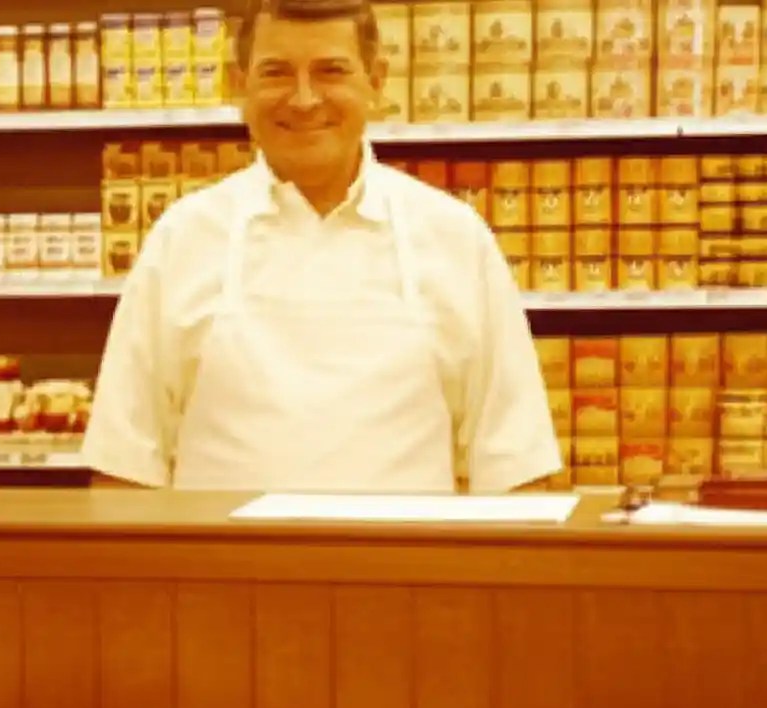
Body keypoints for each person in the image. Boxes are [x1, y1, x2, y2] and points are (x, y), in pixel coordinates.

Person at [82, 0, 561, 493]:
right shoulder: (181, 238)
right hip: (223, 570)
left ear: (376, 82)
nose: (305, 99)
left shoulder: (456, 238)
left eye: (331, 71)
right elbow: (125, 465)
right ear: (239, 84)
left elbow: (515, 467)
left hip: (406, 570)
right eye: (276, 73)